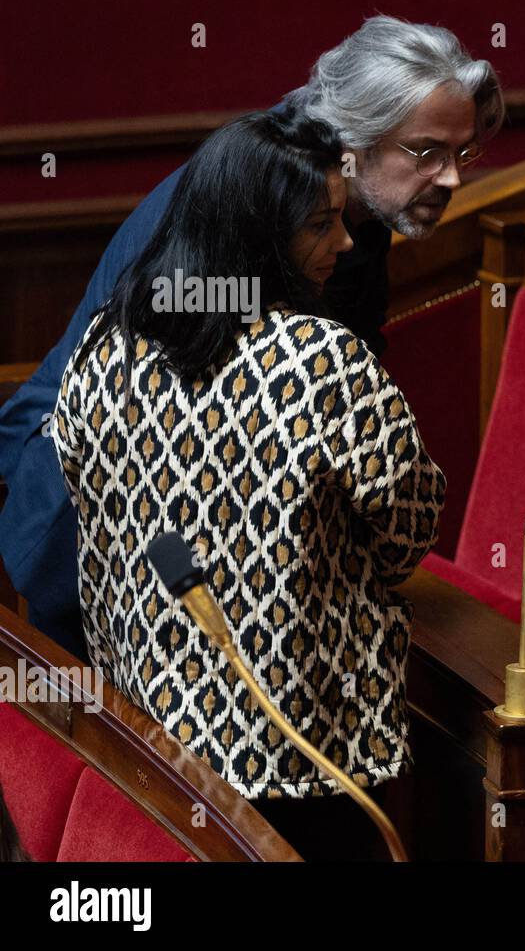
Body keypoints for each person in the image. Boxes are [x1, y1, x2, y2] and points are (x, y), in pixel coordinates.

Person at [0, 15, 503, 658]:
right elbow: (164, 383)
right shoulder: (243, 195)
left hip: (203, 549)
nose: (453, 178)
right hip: (88, 519)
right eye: (428, 152)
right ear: (354, 138)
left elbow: (353, 360)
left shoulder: (362, 204)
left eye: (463, 153)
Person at [50, 108, 445, 861]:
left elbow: (77, 479)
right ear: (254, 234)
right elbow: (410, 524)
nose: (345, 242)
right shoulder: (322, 359)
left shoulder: (108, 338)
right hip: (303, 756)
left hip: (147, 744)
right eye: (320, 224)